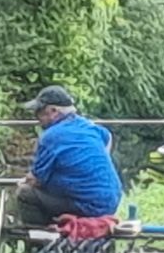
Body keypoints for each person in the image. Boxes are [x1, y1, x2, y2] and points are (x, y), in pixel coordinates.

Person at [15, 85, 123, 226]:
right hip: (111, 201)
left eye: (39, 112)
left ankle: (41, 241)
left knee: (25, 194)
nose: (37, 118)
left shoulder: (51, 136)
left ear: (53, 111)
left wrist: (24, 181)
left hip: (88, 206)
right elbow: (107, 136)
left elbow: (36, 180)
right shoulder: (88, 126)